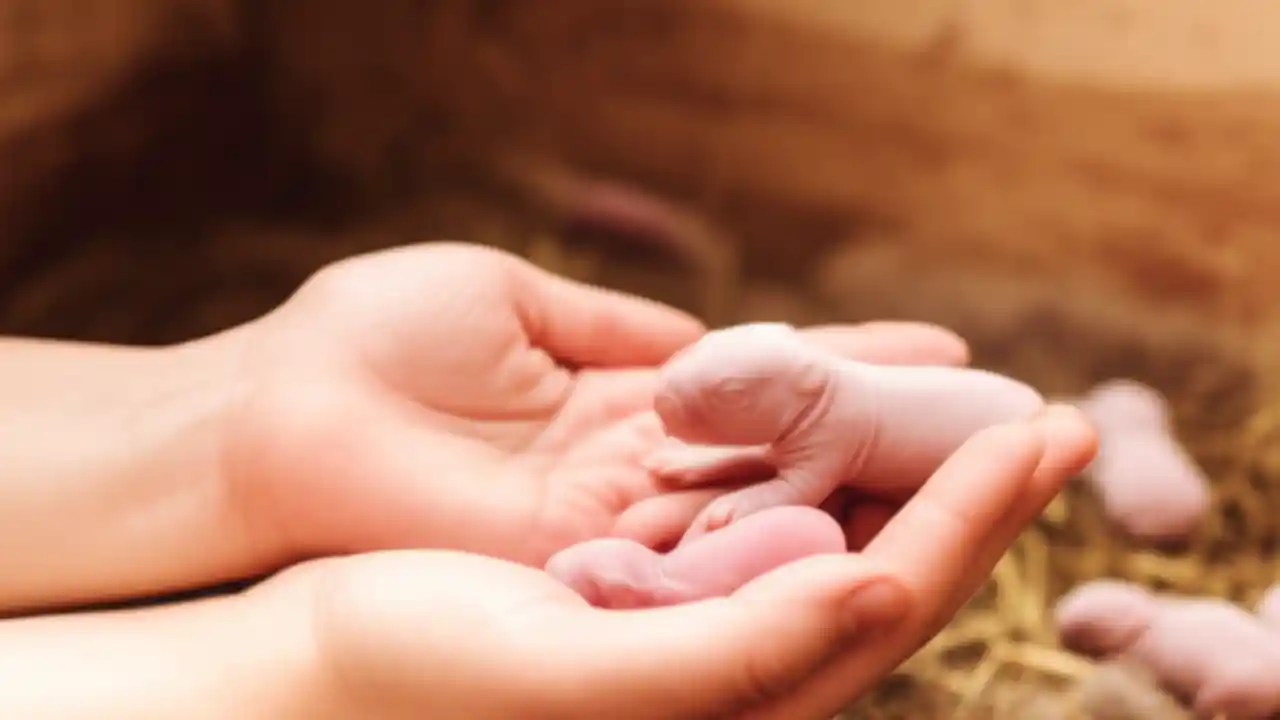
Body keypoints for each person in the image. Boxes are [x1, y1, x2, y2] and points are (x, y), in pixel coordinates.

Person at [0, 241, 1096, 718]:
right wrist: (307, 665)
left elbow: (796, 476)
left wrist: (242, 415)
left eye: (720, 398)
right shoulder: (801, 410)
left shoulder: (823, 416)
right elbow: (782, 468)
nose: (682, 404)